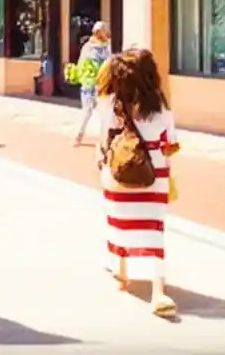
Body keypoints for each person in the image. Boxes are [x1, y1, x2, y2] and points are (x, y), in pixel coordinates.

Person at [99, 49, 178, 317]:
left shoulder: (114, 105)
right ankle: (158, 291)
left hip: (118, 174)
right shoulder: (161, 107)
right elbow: (171, 145)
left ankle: (121, 272)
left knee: (119, 221)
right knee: (153, 230)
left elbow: (104, 141)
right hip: (154, 176)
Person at [73, 21, 113, 147]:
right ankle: (81, 136)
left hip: (95, 85)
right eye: (104, 30)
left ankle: (81, 137)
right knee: (99, 114)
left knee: (92, 113)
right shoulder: (100, 48)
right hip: (95, 85)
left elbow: (80, 66)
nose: (107, 33)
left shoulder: (89, 47)